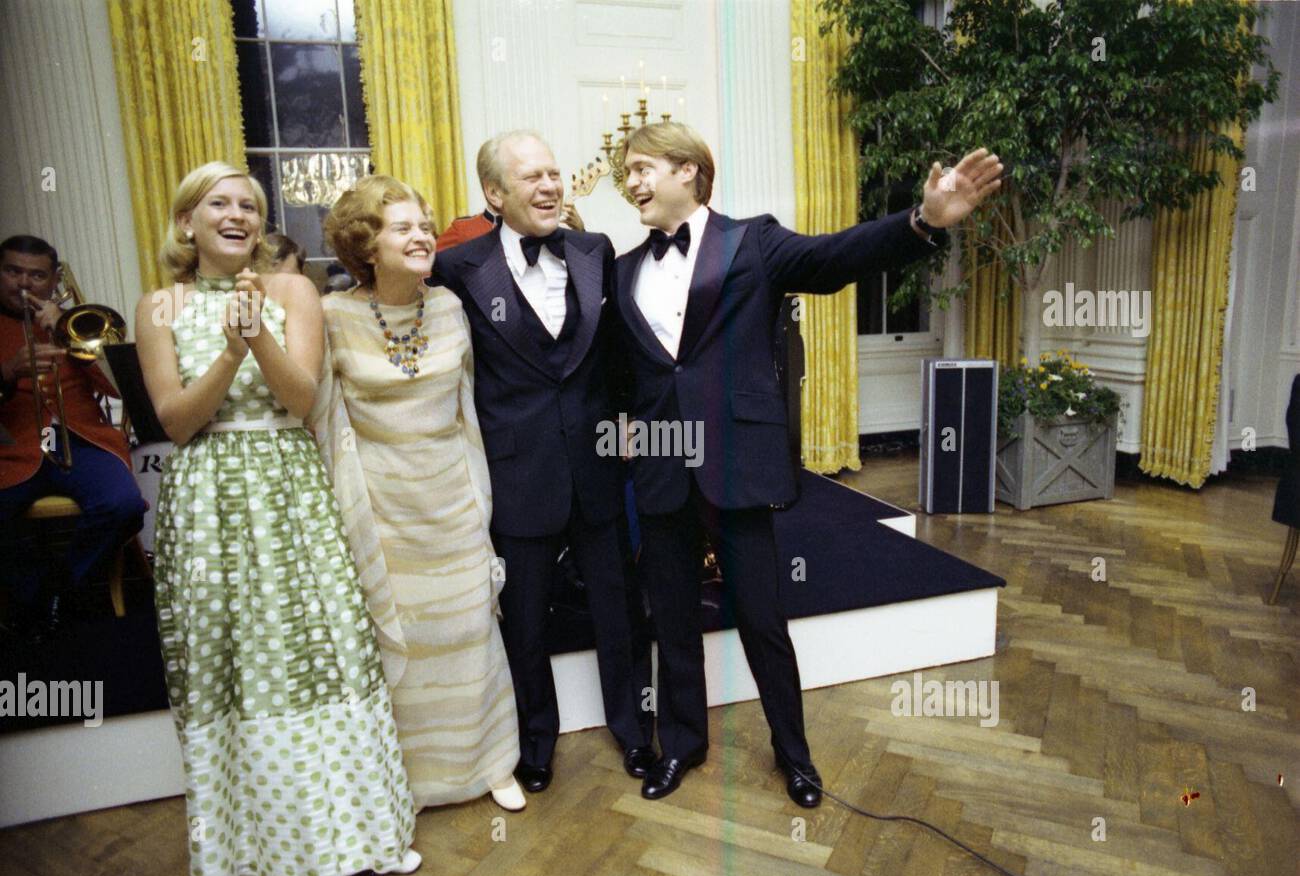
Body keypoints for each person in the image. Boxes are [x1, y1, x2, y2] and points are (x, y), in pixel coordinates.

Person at [614, 122, 1003, 805]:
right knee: (670, 617)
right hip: (661, 467)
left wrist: (922, 220)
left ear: (688, 171)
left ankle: (794, 756)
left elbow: (834, 258)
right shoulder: (623, 271)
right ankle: (681, 745)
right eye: (626, 173)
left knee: (763, 619)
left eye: (643, 167)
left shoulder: (752, 241)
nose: (631, 182)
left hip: (736, 463)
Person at [135, 161, 418, 876]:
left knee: (317, 654)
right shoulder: (157, 308)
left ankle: (343, 839)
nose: (237, 215)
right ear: (186, 222)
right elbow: (177, 420)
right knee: (230, 668)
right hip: (207, 503)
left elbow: (298, 399)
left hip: (289, 491)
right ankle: (252, 854)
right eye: (219, 204)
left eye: (249, 206)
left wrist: (256, 335)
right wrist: (229, 352)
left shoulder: (293, 290)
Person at [430, 130, 655, 792]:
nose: (551, 185)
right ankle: (535, 741)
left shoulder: (594, 250)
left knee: (620, 611)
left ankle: (636, 731)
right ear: (494, 194)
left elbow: (614, 363)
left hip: (597, 472)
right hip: (517, 474)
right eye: (532, 177)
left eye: (554, 172)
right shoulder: (458, 269)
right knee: (525, 622)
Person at [315, 174, 525, 812]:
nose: (421, 237)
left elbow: (467, 410)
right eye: (401, 227)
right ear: (364, 244)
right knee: (401, 641)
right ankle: (409, 779)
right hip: (381, 506)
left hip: (452, 497)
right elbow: (326, 423)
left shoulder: (452, 307)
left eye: (423, 226)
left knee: (470, 632)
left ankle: (491, 761)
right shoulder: (332, 316)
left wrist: (479, 498)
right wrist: (346, 518)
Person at [0, 235, 146, 643]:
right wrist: (8, 373)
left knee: (123, 505)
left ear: (54, 280)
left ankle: (61, 590)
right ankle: (33, 596)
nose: (23, 283)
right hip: (13, 446)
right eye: (13, 271)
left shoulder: (72, 322)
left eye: (36, 275)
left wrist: (66, 333)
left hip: (82, 440)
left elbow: (121, 391)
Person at [436, 138, 584, 253]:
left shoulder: (546, 225)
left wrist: (580, 231)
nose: (549, 187)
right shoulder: (463, 230)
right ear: (494, 191)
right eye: (531, 177)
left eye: (553, 175)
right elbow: (425, 277)